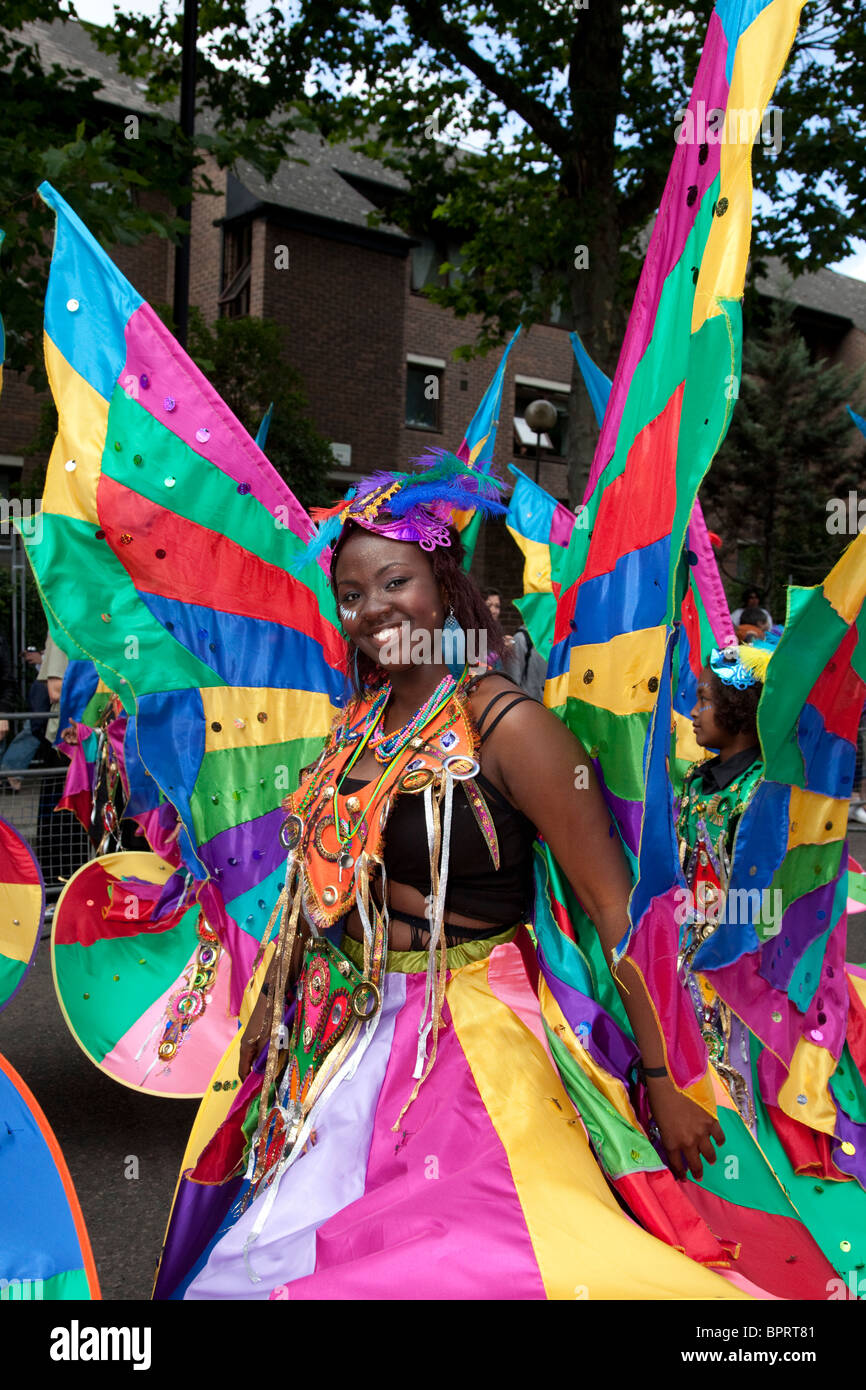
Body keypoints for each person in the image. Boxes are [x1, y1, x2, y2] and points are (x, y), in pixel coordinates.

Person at [154, 457, 739, 1302]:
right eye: (352, 596)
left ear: (442, 582)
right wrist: (273, 1017)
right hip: (346, 1039)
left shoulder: (513, 727)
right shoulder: (357, 726)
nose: (374, 611)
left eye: (395, 582)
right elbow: (324, 878)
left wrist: (661, 1079)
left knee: (469, 1262)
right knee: (263, 1265)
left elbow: (615, 907)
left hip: (473, 1044)